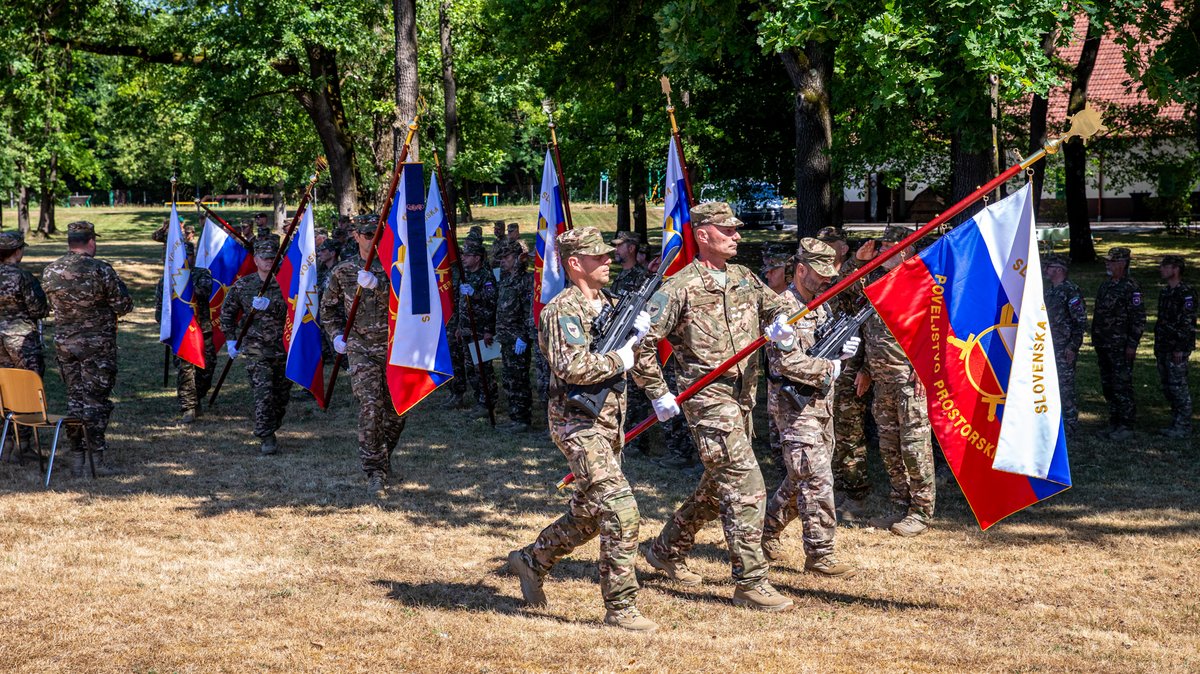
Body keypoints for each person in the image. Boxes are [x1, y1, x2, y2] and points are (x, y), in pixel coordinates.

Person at [632, 201, 796, 612]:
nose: (737, 236)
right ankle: (750, 581)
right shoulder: (678, 286)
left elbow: (777, 308)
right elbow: (642, 344)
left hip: (742, 398)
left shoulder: (743, 277)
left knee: (715, 487)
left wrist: (784, 326)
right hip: (706, 399)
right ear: (703, 234)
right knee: (746, 484)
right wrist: (657, 391)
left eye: (737, 230)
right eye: (728, 230)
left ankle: (666, 550)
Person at [507, 226, 657, 632]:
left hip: (609, 424)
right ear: (575, 264)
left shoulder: (610, 304)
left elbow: (635, 356)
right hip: (576, 424)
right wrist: (620, 360)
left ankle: (532, 560)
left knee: (589, 516)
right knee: (621, 509)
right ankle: (621, 607)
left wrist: (657, 386)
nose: (609, 261)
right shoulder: (562, 310)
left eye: (609, 255)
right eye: (599, 257)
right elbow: (571, 366)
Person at [760, 239, 858, 577]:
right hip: (793, 408)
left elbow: (819, 349)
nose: (827, 279)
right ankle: (820, 553)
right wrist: (831, 368)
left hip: (820, 407)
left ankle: (767, 528)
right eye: (821, 273)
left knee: (800, 478)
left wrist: (841, 350)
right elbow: (784, 362)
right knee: (817, 480)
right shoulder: (781, 309)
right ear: (801, 270)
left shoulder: (820, 306)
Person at [853, 226, 935, 537]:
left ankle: (921, 511)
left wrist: (924, 367)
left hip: (907, 380)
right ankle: (899, 504)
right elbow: (866, 328)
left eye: (888, 246)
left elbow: (936, 328)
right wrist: (865, 368)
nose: (882, 252)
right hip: (882, 379)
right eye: (881, 246)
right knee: (889, 447)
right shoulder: (878, 282)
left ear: (905, 250)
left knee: (914, 447)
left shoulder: (921, 283)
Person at [321, 218, 406, 496]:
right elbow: (329, 309)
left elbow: (408, 302)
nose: (374, 239)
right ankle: (375, 473)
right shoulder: (343, 272)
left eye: (379, 234)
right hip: (361, 349)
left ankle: (383, 454)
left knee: (397, 413)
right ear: (356, 236)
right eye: (368, 234)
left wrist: (380, 285)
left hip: (396, 348)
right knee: (371, 406)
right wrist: (336, 336)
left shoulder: (398, 269)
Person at [41, 221, 133, 476]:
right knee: (95, 401)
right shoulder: (101, 270)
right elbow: (123, 305)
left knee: (75, 398)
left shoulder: (50, 270)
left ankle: (77, 456)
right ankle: (96, 459)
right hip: (96, 346)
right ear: (91, 241)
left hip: (65, 344)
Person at [220, 237, 291, 455]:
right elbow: (227, 313)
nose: (269, 261)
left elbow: (297, 312)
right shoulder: (244, 285)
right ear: (256, 259)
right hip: (256, 349)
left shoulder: (286, 283)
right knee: (263, 393)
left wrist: (274, 306)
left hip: (283, 347)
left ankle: (272, 424)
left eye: (273, 258)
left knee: (280, 395)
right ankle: (266, 436)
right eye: (265, 258)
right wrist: (231, 339)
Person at [820, 227, 872, 524]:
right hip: (825, 364)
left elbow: (867, 328)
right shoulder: (819, 276)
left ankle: (857, 494)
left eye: (830, 244)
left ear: (842, 247)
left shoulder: (855, 276)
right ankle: (838, 486)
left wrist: (865, 368)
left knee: (850, 432)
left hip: (851, 365)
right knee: (831, 431)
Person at [154, 241, 216, 423]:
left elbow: (204, 292)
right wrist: (165, 325)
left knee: (206, 369)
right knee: (186, 370)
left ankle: (198, 398)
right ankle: (188, 406)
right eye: (183, 256)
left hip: (202, 330)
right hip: (182, 332)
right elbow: (161, 308)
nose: (186, 259)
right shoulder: (166, 280)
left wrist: (184, 282)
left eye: (189, 255)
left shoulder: (202, 274)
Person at [0, 232, 49, 462]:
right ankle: (24, 443)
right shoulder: (22, 277)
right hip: (21, 340)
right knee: (27, 388)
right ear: (17, 251)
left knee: (3, 389)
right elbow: (39, 309)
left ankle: (6, 441)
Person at [1090, 247, 1145, 440]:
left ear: (1122, 264)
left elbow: (1138, 319)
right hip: (1104, 344)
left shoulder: (1131, 287)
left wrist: (1132, 344)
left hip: (1120, 346)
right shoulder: (1106, 286)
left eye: (1111, 262)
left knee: (1122, 384)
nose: (1107, 264)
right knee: (1109, 384)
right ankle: (1114, 421)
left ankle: (1126, 424)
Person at [610, 231, 653, 454]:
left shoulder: (641, 277)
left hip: (634, 343)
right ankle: (625, 437)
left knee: (636, 395)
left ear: (632, 248)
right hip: (618, 343)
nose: (616, 250)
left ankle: (638, 441)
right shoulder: (619, 277)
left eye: (620, 246)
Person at [447, 240, 498, 414]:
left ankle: (487, 402)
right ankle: (479, 400)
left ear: (477, 258)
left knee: (482, 369)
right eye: (464, 255)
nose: (464, 258)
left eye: (468, 255)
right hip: (467, 328)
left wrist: (488, 330)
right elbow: (462, 304)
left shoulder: (486, 276)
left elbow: (492, 302)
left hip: (481, 329)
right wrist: (460, 327)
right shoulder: (466, 274)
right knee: (471, 369)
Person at [1043, 254, 1087, 438]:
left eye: (1050, 267)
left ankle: (1070, 426)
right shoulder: (1049, 291)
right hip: (1048, 346)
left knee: (1065, 387)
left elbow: (1080, 322)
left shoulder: (1071, 292)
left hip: (1064, 348)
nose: (1046, 270)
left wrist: (1072, 347)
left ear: (1059, 270)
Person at [494, 239, 535, 432]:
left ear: (519, 258)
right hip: (505, 337)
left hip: (518, 337)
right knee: (509, 378)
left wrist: (524, 337)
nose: (503, 261)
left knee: (519, 379)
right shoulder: (505, 279)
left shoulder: (525, 281)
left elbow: (529, 312)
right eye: (501, 257)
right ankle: (514, 416)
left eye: (507, 257)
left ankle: (522, 419)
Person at [1154, 254, 1194, 438]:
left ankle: (1184, 425)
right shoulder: (1165, 292)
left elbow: (1187, 322)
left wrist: (1179, 347)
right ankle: (1176, 420)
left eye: (1165, 266)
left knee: (1178, 385)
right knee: (1167, 385)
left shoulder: (1186, 293)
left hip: (1177, 348)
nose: (1161, 269)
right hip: (1163, 345)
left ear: (1175, 269)